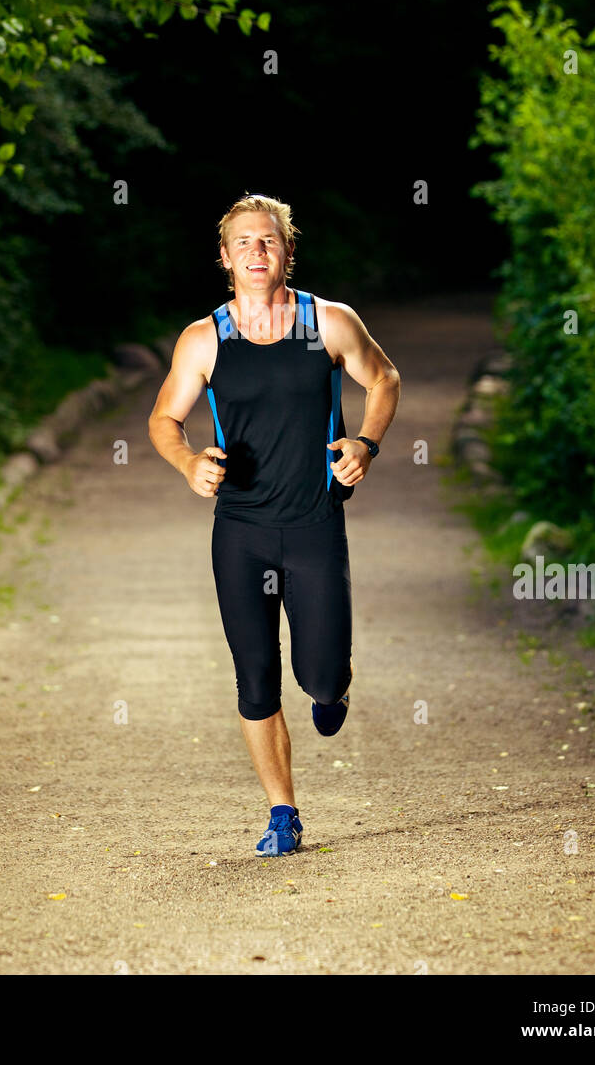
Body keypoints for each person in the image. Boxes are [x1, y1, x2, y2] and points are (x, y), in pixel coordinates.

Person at [148, 193, 400, 856]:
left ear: (288, 250)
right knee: (255, 675)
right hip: (241, 532)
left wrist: (365, 445)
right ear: (224, 257)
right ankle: (282, 812)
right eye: (244, 243)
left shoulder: (331, 322)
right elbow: (163, 421)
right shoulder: (204, 338)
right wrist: (186, 462)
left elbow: (385, 379)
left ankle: (331, 687)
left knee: (319, 675)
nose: (257, 253)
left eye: (269, 241)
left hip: (315, 526)